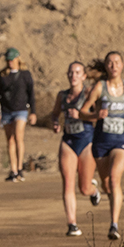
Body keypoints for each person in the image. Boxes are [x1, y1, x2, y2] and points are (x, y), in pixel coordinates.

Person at [78, 51, 124, 241]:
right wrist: (95, 115)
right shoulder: (100, 88)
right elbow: (82, 112)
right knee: (107, 184)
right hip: (101, 142)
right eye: (110, 63)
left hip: (120, 141)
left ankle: (114, 225)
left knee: (115, 179)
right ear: (106, 66)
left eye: (117, 62)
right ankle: (99, 191)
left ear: (122, 65)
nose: (114, 66)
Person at [50, 61, 99, 236]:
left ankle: (93, 190)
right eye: (71, 72)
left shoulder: (89, 94)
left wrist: (81, 115)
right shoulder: (62, 95)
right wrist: (55, 123)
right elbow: (54, 114)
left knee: (84, 188)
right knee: (68, 184)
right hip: (68, 141)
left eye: (77, 72)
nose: (73, 76)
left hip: (86, 141)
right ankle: (72, 224)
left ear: (84, 76)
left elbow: (99, 116)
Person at [0, 48, 36, 181]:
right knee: (10, 140)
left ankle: (20, 168)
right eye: (8, 60)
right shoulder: (2, 75)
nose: (10, 62)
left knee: (18, 137)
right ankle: (13, 170)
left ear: (18, 59)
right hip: (6, 111)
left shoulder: (25, 74)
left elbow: (31, 94)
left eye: (12, 59)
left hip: (21, 110)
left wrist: (33, 112)